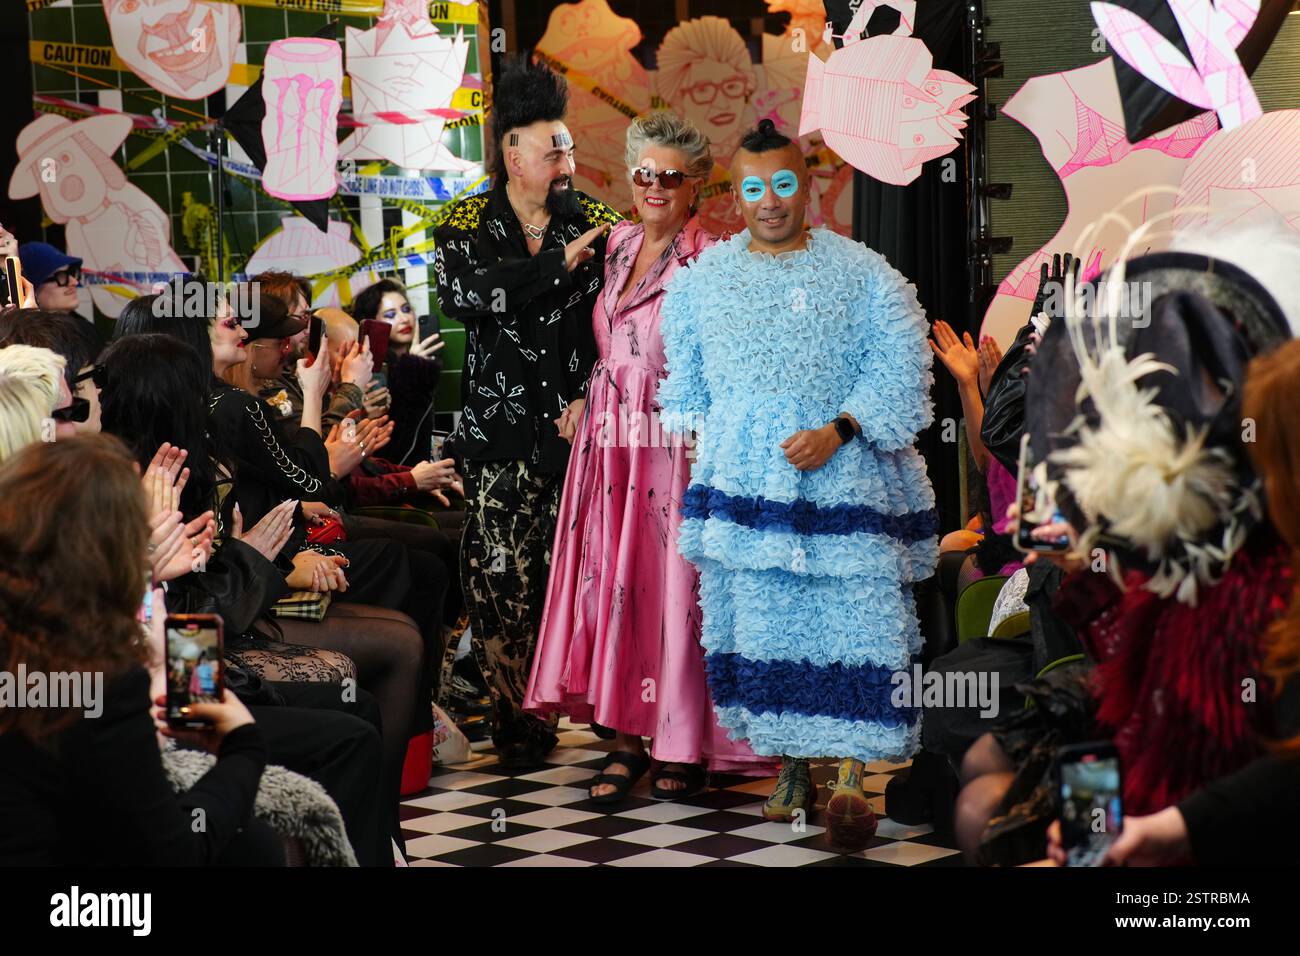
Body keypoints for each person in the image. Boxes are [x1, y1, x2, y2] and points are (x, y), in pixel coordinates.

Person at [656, 118, 939, 848]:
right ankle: (791, 765)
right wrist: (708, 454)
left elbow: (902, 363)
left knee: (856, 620)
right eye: (755, 188)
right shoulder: (702, 284)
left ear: (808, 186)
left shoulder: (863, 273)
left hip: (844, 483)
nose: (771, 201)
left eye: (784, 184)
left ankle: (849, 772)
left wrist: (840, 430)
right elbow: (683, 387)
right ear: (736, 194)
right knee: (763, 619)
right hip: (750, 493)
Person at [525, 111, 776, 802]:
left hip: (676, 439)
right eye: (645, 173)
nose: (656, 186)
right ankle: (626, 739)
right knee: (616, 584)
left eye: (672, 176)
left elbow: (738, 361)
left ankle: (682, 740)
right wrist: (585, 396)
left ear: (697, 185)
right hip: (609, 442)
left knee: (676, 590)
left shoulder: (715, 258)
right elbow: (606, 337)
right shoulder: (615, 243)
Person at [432, 55, 621, 768]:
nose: (567, 160)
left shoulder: (601, 223)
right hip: (496, 435)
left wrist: (593, 395)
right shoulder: (464, 224)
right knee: (499, 583)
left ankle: (613, 719)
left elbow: (624, 325)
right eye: (553, 150)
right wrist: (552, 266)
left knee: (587, 578)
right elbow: (465, 295)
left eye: (570, 146)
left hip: (580, 434)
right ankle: (519, 727)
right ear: (513, 154)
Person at [0, 434, 281, 866]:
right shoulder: (95, 666)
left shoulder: (44, 621)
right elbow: (191, 697)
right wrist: (245, 745)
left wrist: (161, 582)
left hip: (170, 702)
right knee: (260, 836)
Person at [351, 278, 444, 466]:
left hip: (425, 469)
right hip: (395, 473)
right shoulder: (373, 370)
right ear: (374, 325)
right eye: (391, 314)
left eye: (406, 309)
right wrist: (413, 367)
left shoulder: (419, 363)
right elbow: (397, 431)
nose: (404, 319)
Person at [16, 242, 82, 314]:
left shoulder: (82, 324)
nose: (75, 282)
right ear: (31, 292)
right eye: (61, 276)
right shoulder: (19, 325)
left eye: (71, 272)